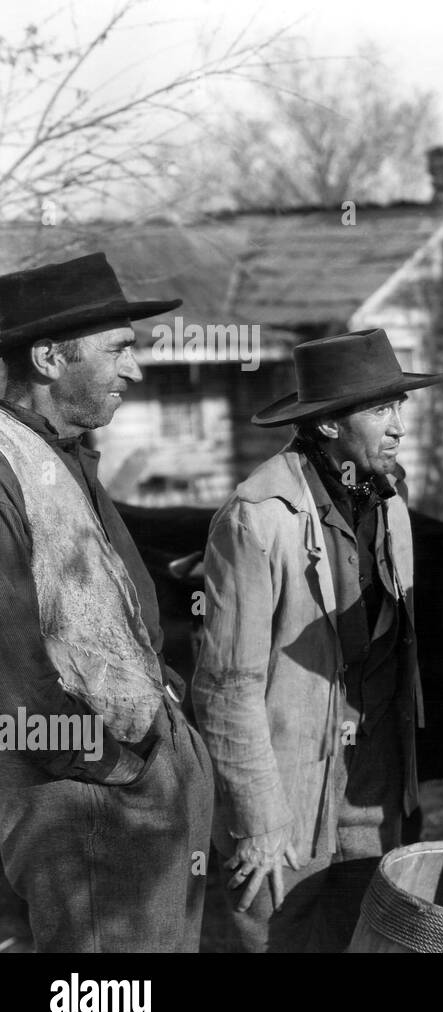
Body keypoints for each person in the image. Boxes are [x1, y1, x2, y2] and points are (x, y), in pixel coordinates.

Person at [191, 328, 443, 951]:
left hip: (373, 780)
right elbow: (228, 686)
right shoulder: (258, 517)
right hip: (285, 786)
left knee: (370, 930)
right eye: (379, 409)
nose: (397, 427)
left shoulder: (390, 500)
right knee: (286, 936)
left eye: (398, 408)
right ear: (328, 426)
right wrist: (256, 819)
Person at [0, 252, 213, 952]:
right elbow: (11, 676)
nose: (135, 370)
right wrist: (113, 764)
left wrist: (164, 715)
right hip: (80, 801)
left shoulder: (64, 453)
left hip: (127, 787)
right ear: (49, 356)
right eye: (119, 349)